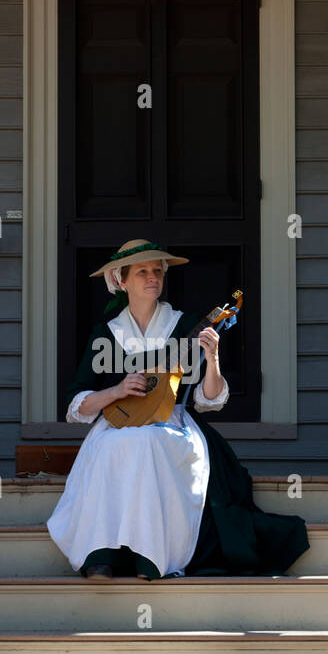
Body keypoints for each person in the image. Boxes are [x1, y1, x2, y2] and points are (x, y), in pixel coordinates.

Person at [45, 238, 310, 581]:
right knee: (111, 446)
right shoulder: (105, 335)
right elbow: (77, 404)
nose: (152, 277)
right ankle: (101, 558)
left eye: (157, 270)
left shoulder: (184, 326)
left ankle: (150, 560)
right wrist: (116, 389)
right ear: (121, 281)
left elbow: (208, 399)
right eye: (142, 271)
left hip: (174, 422)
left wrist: (212, 358)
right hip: (118, 424)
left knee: (150, 443)